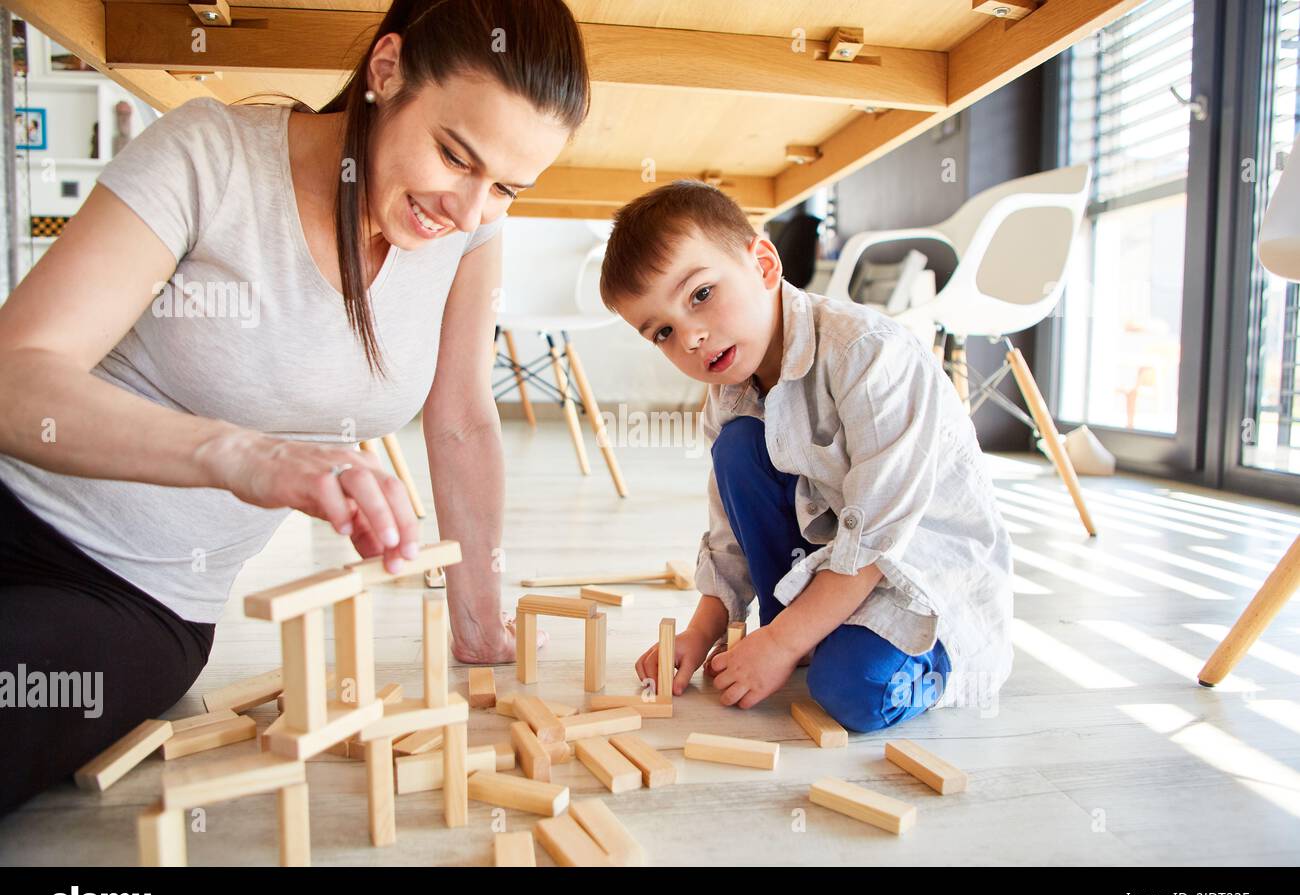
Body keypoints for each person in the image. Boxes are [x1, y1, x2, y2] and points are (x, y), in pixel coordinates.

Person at [0, 0, 590, 814]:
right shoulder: (211, 156)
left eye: (506, 188)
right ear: (387, 72)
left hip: (138, 598)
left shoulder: (471, 229)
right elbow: (15, 374)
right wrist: (243, 455)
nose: (467, 208)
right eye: (455, 155)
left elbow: (460, 415)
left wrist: (478, 620)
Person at [599, 181, 1014, 732]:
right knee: (740, 447)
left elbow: (875, 542)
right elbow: (728, 539)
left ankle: (905, 662)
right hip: (829, 567)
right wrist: (700, 634)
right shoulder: (728, 395)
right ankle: (802, 633)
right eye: (664, 332)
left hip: (917, 570)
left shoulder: (868, 355)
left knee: (853, 689)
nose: (692, 338)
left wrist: (782, 641)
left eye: (700, 294)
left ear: (765, 265)